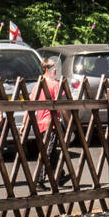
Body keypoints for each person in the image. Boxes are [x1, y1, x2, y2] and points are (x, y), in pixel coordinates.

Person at [35, 58, 63, 188]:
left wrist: (24, 124)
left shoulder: (37, 84)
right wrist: (69, 121)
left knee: (51, 150)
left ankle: (60, 175)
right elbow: (60, 105)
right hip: (50, 123)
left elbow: (31, 105)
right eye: (53, 68)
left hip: (40, 122)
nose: (56, 70)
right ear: (47, 70)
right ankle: (39, 178)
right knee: (48, 151)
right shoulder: (55, 84)